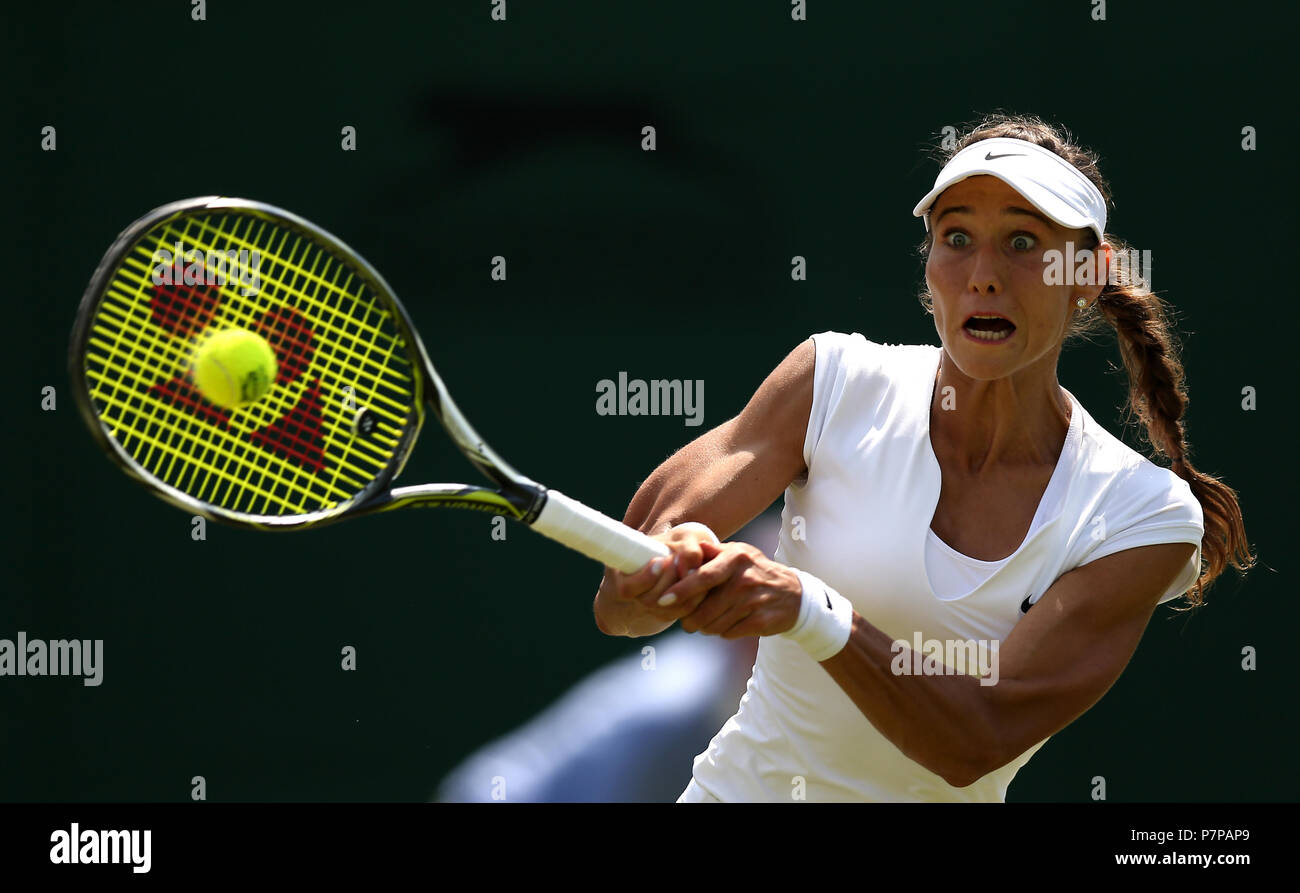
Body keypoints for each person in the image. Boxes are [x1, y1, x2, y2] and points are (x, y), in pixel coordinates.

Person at [592, 113, 1255, 802]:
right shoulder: (831, 381)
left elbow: (976, 737)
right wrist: (662, 570)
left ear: (1087, 274)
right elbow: (622, 606)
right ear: (930, 264)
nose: (983, 276)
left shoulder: (1140, 515)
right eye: (957, 238)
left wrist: (806, 608)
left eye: (1023, 242)